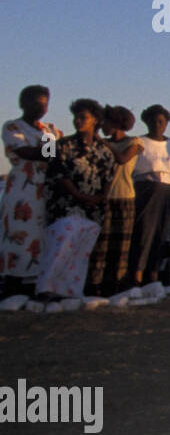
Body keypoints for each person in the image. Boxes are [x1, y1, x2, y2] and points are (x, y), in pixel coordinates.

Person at [42, 100, 117, 299]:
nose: (78, 121)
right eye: (76, 117)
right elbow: (58, 175)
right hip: (67, 207)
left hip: (94, 209)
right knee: (61, 249)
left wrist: (98, 198)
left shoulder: (104, 151)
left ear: (95, 121)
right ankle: (49, 290)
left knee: (81, 252)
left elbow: (109, 178)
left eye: (83, 117)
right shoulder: (62, 145)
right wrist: (80, 196)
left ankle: (72, 293)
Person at [1, 85, 62, 298]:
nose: (41, 108)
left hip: (44, 189)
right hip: (22, 190)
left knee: (39, 237)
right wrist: (48, 144)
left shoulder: (48, 129)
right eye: (36, 103)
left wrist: (48, 144)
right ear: (23, 104)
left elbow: (50, 155)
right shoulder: (12, 127)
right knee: (18, 234)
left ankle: (34, 283)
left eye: (44, 104)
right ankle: (12, 283)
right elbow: (35, 153)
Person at [88, 105, 141, 296]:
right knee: (101, 244)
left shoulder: (134, 142)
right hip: (105, 197)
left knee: (120, 245)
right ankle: (95, 283)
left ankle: (116, 283)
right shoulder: (101, 144)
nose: (102, 127)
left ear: (118, 124)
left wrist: (103, 143)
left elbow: (122, 159)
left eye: (106, 123)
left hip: (124, 196)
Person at [128, 105, 170, 286]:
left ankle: (154, 274)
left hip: (167, 190)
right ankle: (137, 274)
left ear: (166, 124)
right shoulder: (139, 142)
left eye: (161, 121)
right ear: (146, 122)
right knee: (144, 232)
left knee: (160, 233)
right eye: (153, 121)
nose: (157, 125)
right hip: (146, 189)